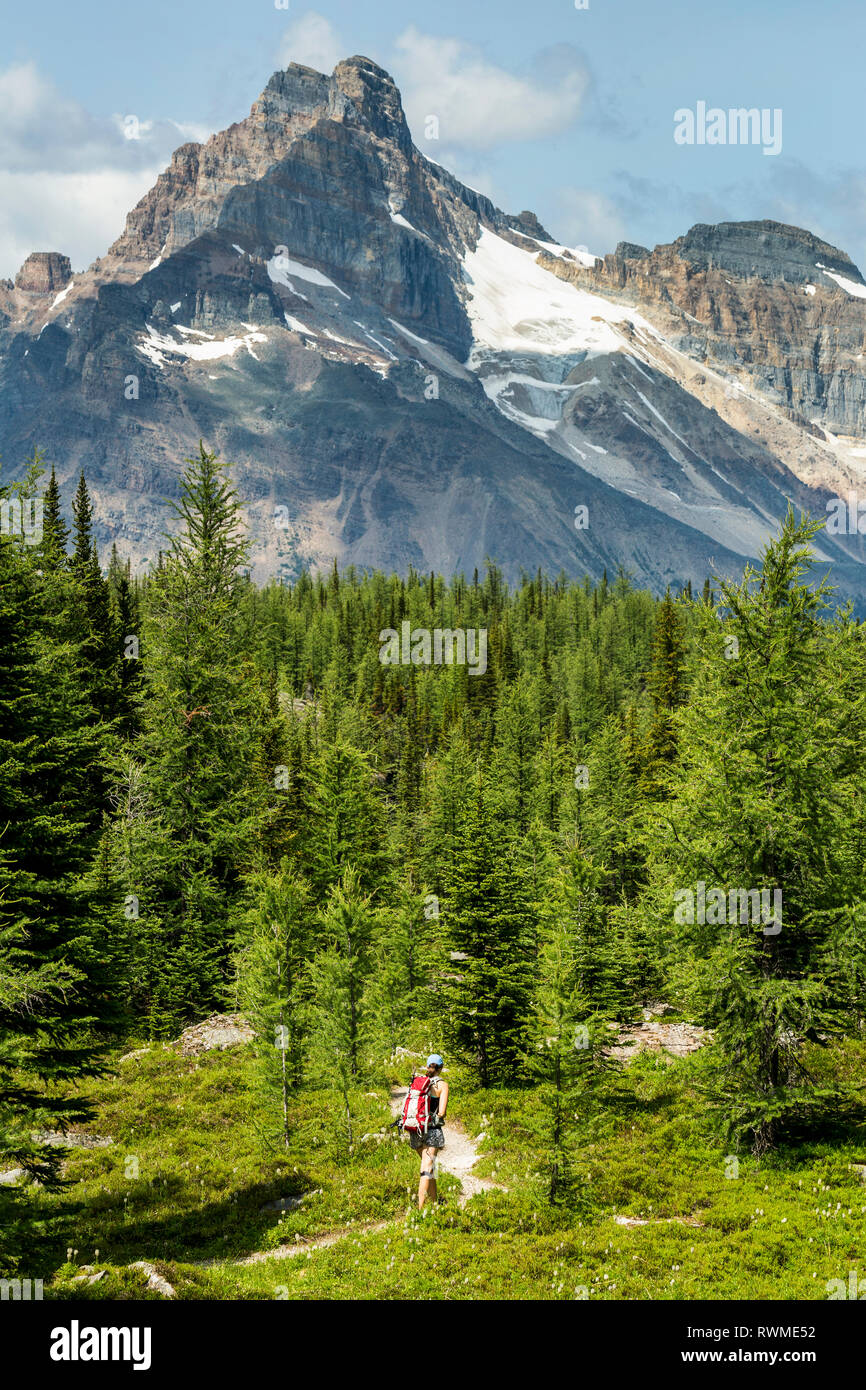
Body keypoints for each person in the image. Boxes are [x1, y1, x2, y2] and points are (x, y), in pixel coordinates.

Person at [409, 1054, 449, 1209]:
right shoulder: (442, 1085)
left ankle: (434, 1202)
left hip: (415, 1129)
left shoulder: (417, 1081)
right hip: (431, 1130)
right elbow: (442, 1112)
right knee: (427, 1168)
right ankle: (420, 1209)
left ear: (427, 1066)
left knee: (431, 1166)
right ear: (441, 1068)